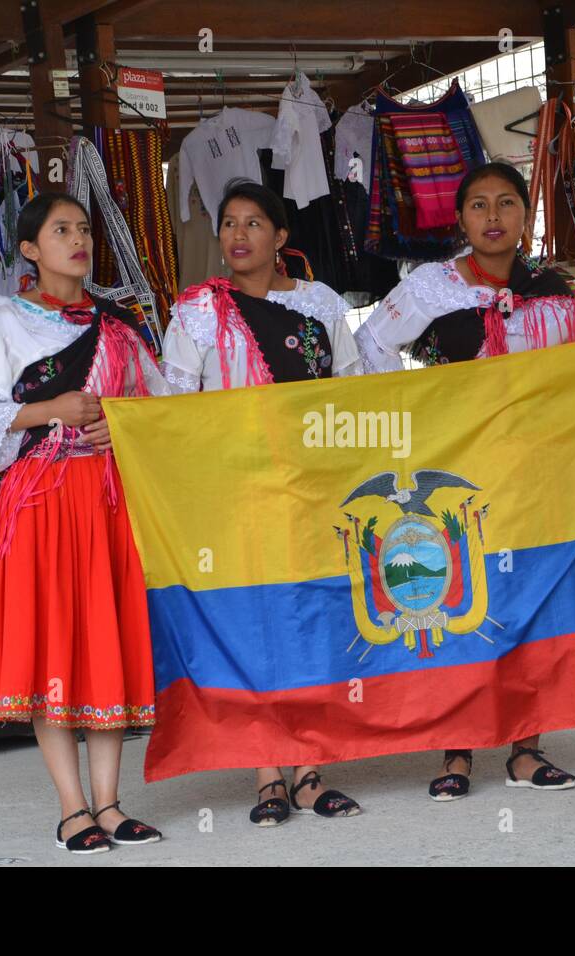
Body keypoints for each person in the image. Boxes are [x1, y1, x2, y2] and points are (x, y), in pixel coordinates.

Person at [355, 161, 575, 798]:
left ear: (524, 217)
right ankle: (456, 752)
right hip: (458, 476)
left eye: (506, 203)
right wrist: (421, 411)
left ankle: (526, 750)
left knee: (532, 600)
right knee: (464, 599)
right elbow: (369, 345)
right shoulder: (430, 288)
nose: (493, 216)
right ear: (460, 219)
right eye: (478, 205)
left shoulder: (561, 288)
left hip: (539, 471)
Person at [0, 192, 169, 854]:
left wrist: (119, 425)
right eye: (61, 230)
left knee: (104, 640)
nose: (78, 241)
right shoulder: (0, 319)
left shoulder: (119, 325)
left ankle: (110, 804)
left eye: (83, 230)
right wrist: (51, 410)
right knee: (53, 643)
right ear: (29, 249)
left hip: (105, 499)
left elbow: (160, 405)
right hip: (40, 499)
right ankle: (72, 810)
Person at [161, 178, 365, 822]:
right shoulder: (196, 312)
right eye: (228, 222)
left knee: (310, 621)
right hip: (236, 494)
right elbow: (173, 411)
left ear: (281, 236)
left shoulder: (321, 304)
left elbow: (351, 395)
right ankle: (267, 773)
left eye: (253, 222)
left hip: (311, 491)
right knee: (255, 623)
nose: (238, 234)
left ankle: (309, 769)